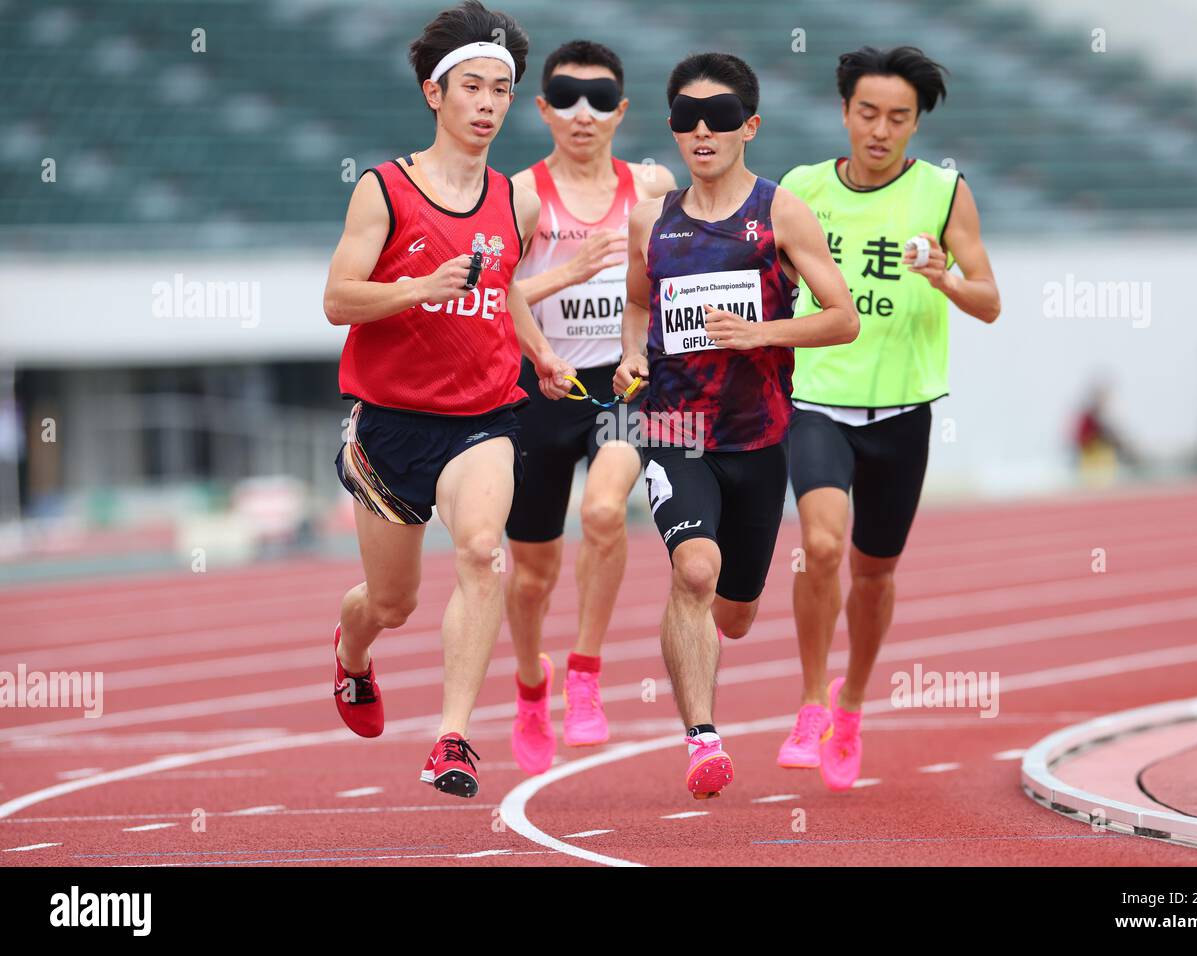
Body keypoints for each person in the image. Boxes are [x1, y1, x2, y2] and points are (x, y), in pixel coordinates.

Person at [322, 1, 574, 799]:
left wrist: (541, 355)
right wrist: (419, 287)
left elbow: (504, 296)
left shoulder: (517, 202)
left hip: (484, 419)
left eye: (501, 88)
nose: (489, 103)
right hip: (391, 428)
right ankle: (352, 655)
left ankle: (453, 738)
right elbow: (337, 300)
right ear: (436, 94)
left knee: (479, 552)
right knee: (393, 602)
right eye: (473, 86)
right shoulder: (384, 190)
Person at [614, 53, 856, 799]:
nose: (702, 131)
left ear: (750, 125)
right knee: (695, 570)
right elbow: (636, 306)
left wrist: (762, 336)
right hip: (675, 431)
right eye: (686, 118)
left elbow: (842, 318)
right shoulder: (651, 219)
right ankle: (701, 739)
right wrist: (629, 359)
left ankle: (707, 639)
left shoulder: (780, 212)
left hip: (757, 439)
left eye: (719, 117)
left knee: (738, 612)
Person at [777, 46, 1000, 791]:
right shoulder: (801, 190)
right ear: (844, 111)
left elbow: (990, 301)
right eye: (867, 113)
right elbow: (766, 275)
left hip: (902, 412)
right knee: (820, 543)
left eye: (897, 118)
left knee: (873, 576)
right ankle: (810, 702)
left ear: (916, 123)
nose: (879, 130)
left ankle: (853, 702)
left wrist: (944, 278)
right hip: (815, 401)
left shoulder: (942, 193)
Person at [504, 41, 676, 774]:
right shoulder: (518, 194)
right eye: (566, 99)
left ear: (622, 110)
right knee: (532, 573)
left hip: (621, 383)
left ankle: (585, 673)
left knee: (605, 513)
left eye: (600, 99)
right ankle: (530, 684)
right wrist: (554, 308)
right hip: (540, 385)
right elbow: (494, 300)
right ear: (541, 109)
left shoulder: (653, 185)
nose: (584, 114)